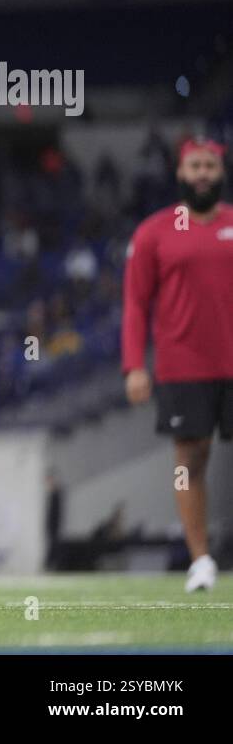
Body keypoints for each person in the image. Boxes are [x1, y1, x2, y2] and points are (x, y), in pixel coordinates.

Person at [122, 136, 233, 592]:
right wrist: (134, 365)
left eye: (210, 165)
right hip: (182, 366)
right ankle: (201, 560)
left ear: (221, 173)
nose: (203, 173)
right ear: (180, 174)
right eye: (195, 166)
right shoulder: (154, 231)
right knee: (190, 458)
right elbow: (135, 303)